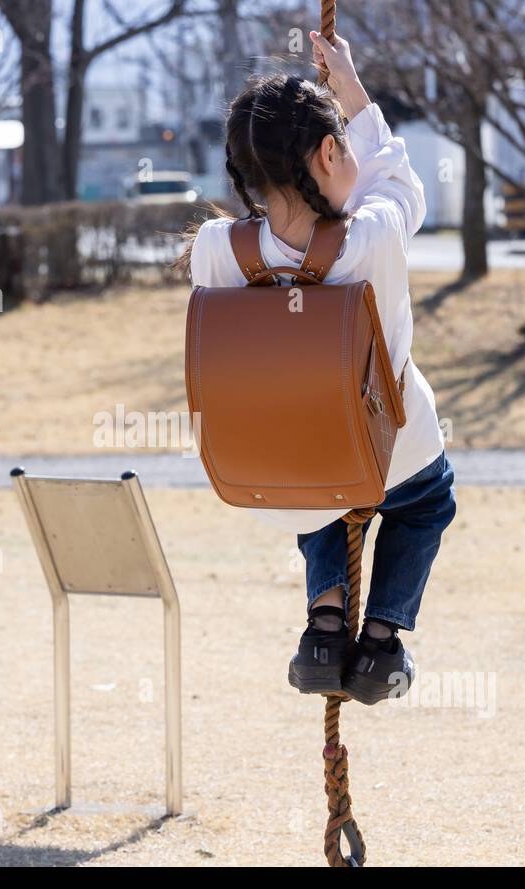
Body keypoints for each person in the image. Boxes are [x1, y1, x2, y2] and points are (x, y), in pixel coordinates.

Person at [183, 30, 456, 704]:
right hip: (392, 456)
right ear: (332, 152)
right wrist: (352, 90)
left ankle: (326, 620)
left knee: (320, 493)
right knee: (427, 503)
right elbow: (396, 180)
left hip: (279, 472)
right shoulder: (375, 234)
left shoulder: (216, 250)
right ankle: (384, 638)